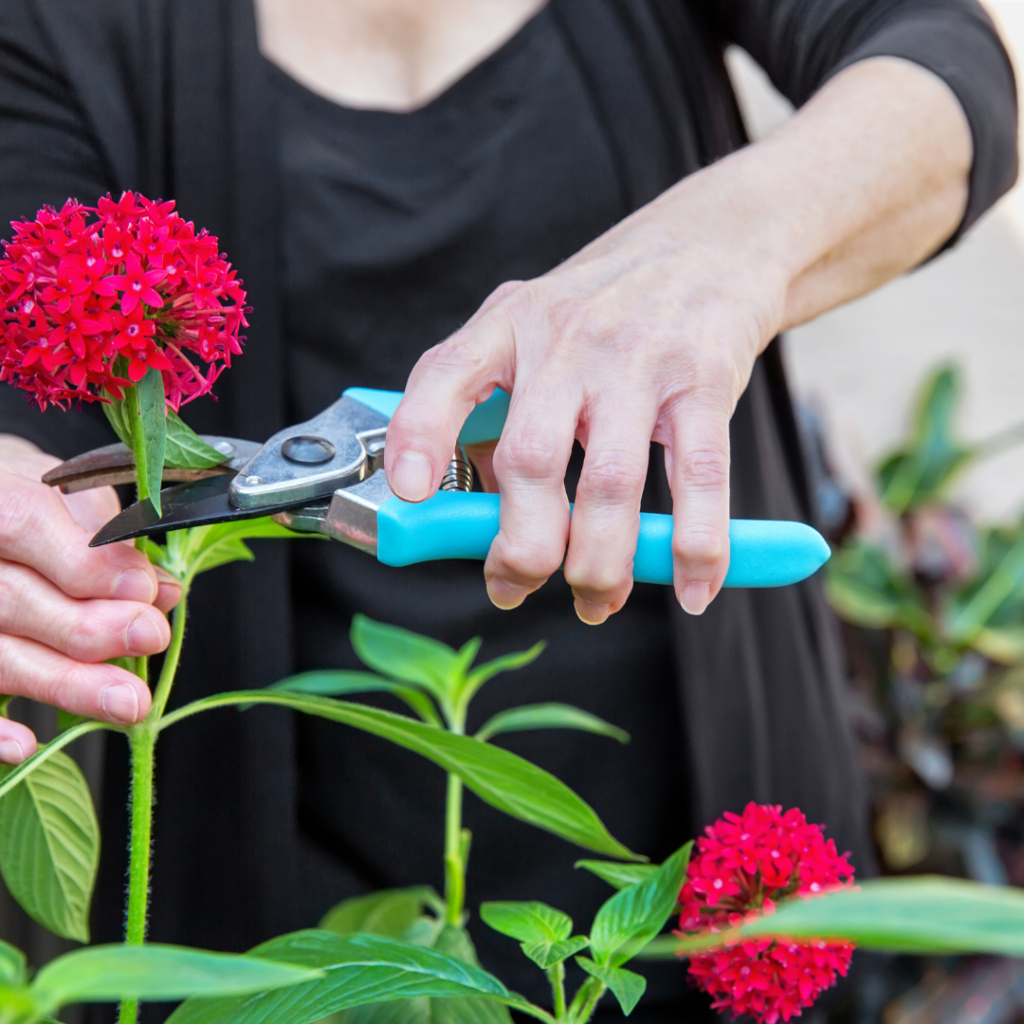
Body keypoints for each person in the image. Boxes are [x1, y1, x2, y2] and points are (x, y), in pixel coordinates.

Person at [0, 0, 1016, 1019]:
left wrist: (723, 247)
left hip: (686, 868)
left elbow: (950, 72)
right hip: (278, 930)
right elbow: (30, 357)